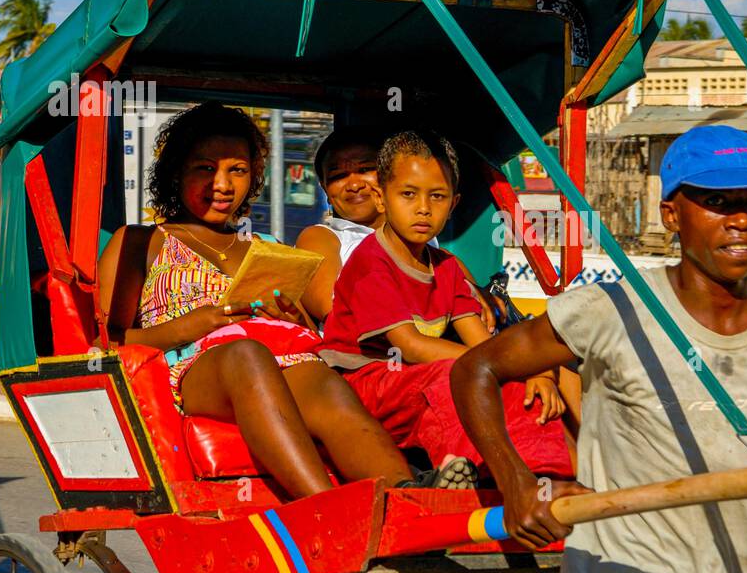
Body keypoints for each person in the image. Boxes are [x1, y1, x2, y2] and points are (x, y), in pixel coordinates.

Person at [449, 125, 747, 573]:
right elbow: (476, 368)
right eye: (714, 202)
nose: (741, 218)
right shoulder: (611, 311)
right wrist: (515, 479)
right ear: (670, 215)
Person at [97, 102, 475, 499]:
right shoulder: (141, 241)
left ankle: (405, 493)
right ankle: (324, 506)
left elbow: (312, 332)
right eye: (205, 169)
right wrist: (199, 323)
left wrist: (295, 317)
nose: (222, 185)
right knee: (247, 354)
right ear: (176, 172)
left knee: (324, 381)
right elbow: (108, 341)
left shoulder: (270, 246)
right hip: (196, 369)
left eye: (237, 170)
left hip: (283, 358)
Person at [319, 129, 574, 480]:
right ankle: (476, 473)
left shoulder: (447, 267)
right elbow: (410, 344)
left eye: (436, 197)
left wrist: (528, 371)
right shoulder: (370, 261)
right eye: (408, 195)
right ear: (382, 198)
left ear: (453, 204)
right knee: (458, 375)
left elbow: (480, 342)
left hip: (415, 382)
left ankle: (546, 476)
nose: (423, 209)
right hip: (363, 384)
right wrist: (494, 365)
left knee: (520, 387)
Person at [296, 126, 495, 331]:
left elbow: (477, 305)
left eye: (365, 169)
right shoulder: (322, 236)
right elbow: (334, 309)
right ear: (326, 190)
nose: (354, 185)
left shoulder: (432, 249)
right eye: (338, 175)